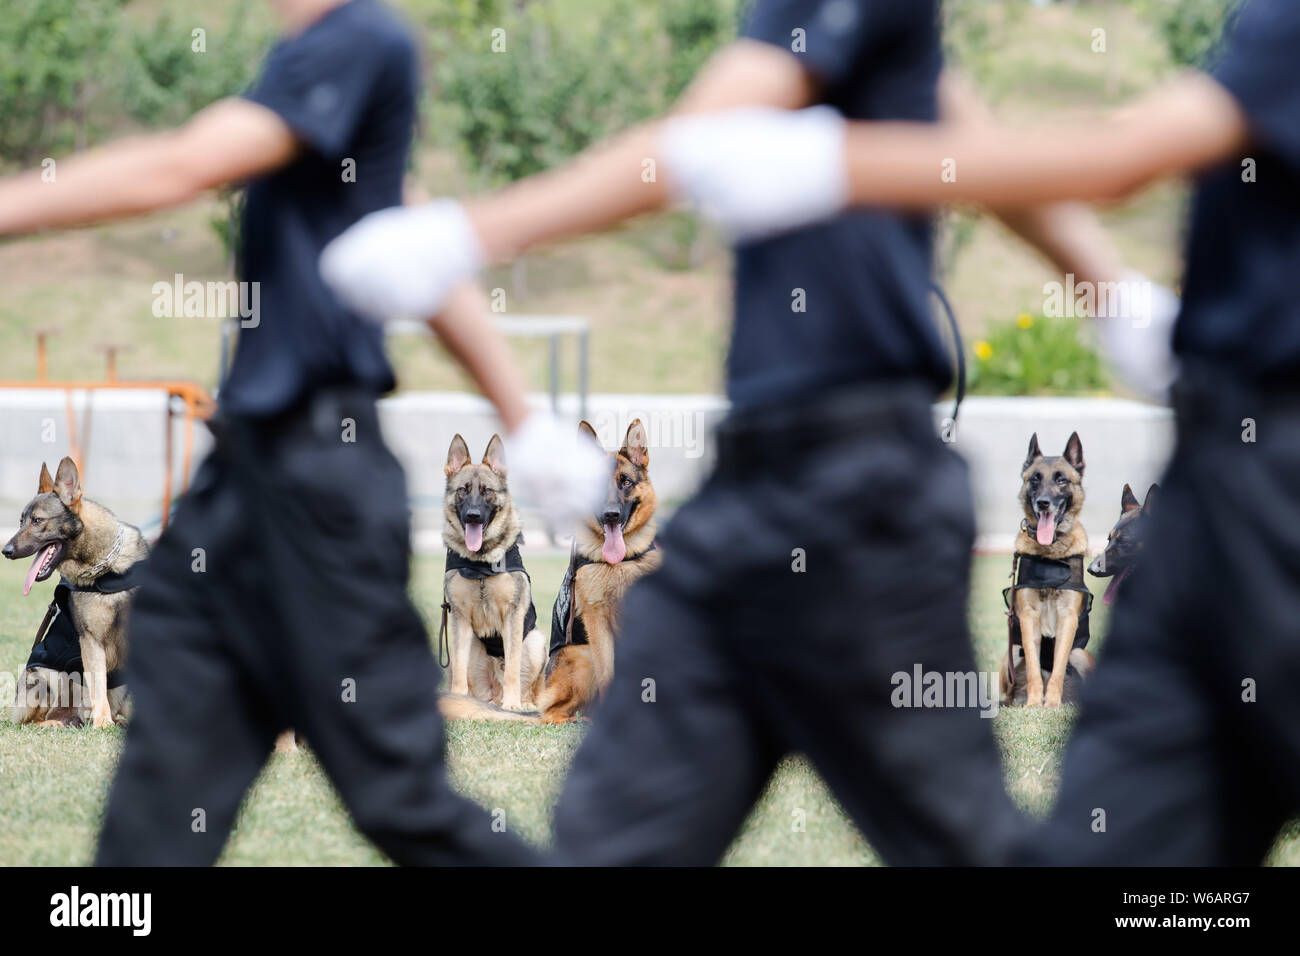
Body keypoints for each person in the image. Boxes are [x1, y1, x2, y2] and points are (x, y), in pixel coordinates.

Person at [322, 0, 1157, 864]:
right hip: (750, 488)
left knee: (964, 844)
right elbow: (959, 130)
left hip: (863, 492)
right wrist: (1107, 287)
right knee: (612, 840)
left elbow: (696, 142)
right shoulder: (862, 43)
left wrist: (469, 235)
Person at [604, 0, 1300, 864]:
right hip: (1212, 477)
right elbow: (958, 122)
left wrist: (827, 163)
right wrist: (1107, 290)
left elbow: (1124, 158)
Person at [0, 0, 603, 865]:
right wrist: (522, 415)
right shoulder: (312, 67)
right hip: (241, 478)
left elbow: (180, 166)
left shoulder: (358, 40)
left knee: (399, 798)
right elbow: (415, 239)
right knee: (158, 799)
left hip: (318, 479)